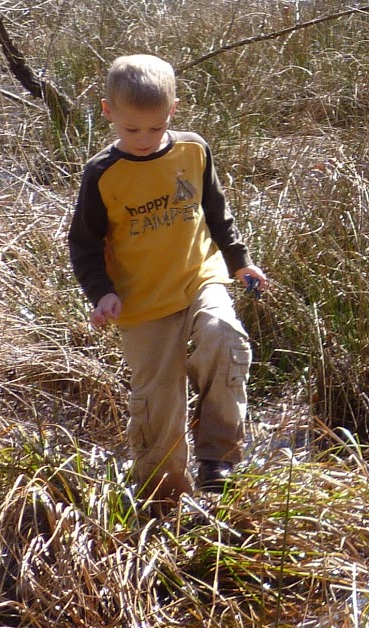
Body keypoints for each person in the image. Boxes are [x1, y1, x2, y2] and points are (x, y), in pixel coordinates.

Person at [67, 54, 267, 507]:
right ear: (108, 112)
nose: (143, 139)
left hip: (200, 277)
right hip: (140, 302)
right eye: (131, 129)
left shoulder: (193, 150)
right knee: (159, 401)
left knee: (224, 336)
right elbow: (83, 244)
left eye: (156, 128)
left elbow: (216, 212)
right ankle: (164, 498)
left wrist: (240, 262)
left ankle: (218, 459)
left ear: (173, 111)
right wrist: (102, 293)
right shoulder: (102, 174)